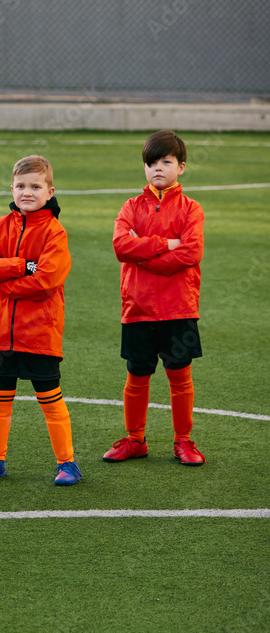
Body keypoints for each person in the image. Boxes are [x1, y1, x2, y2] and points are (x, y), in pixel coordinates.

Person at [0, 155, 82, 486]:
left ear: (50, 191)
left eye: (35, 186)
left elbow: (46, 281)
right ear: (12, 188)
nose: (27, 192)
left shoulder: (54, 232)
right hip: (0, 333)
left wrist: (2, 279)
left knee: (50, 398)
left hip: (39, 334)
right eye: (21, 186)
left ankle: (68, 463)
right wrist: (20, 265)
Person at [104, 130, 206, 466]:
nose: (158, 168)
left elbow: (191, 253)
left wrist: (143, 253)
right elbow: (121, 247)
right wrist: (166, 244)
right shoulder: (131, 207)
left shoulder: (191, 209)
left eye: (166, 162)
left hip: (179, 308)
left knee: (180, 376)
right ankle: (135, 440)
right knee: (137, 375)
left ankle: (184, 441)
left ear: (182, 167)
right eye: (152, 162)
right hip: (139, 307)